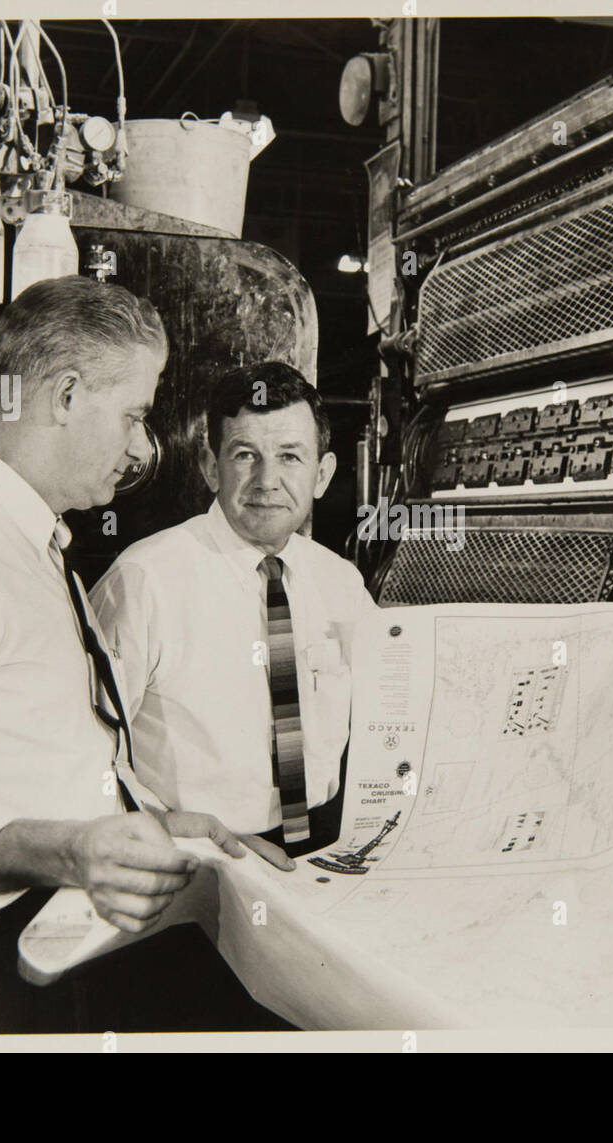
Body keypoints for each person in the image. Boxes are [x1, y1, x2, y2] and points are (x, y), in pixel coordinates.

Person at [0, 276, 288, 1036]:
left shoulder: (41, 552)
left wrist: (173, 822)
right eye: (134, 416)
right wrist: (74, 850)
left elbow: (57, 758)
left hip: (49, 953)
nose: (141, 447)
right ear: (66, 395)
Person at [91, 362, 379, 866]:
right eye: (246, 455)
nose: (267, 481)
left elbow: (389, 711)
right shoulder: (144, 580)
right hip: (196, 856)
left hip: (326, 845)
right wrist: (168, 829)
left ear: (323, 474)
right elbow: (84, 752)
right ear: (210, 466)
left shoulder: (342, 583)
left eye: (291, 456)